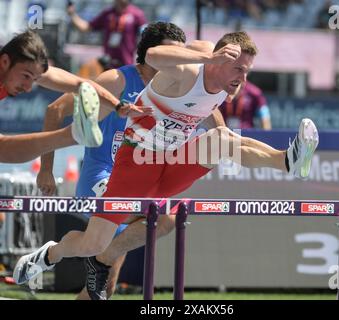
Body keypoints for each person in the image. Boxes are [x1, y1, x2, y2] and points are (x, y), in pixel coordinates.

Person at [13, 31, 319, 300]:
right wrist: (208, 56)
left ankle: (287, 160)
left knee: (221, 142)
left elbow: (216, 124)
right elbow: (153, 55)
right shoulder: (190, 68)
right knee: (91, 243)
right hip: (136, 161)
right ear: (221, 59)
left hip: (172, 162)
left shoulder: (224, 87)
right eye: (239, 68)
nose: (243, 78)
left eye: (248, 71)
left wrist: (225, 140)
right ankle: (50, 255)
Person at [37, 21, 189, 299]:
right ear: (150, 54)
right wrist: (46, 169)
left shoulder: (175, 89)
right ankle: (57, 252)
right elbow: (54, 110)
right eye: (170, 54)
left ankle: (85, 256)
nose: (176, 62)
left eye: (181, 56)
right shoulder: (117, 81)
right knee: (163, 218)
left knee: (104, 287)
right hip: (100, 175)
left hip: (135, 180)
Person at [0, 29, 151, 163]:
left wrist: (117, 106)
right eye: (26, 76)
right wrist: (70, 136)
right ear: (5, 61)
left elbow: (80, 84)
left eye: (33, 80)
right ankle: (73, 135)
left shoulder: (22, 68)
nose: (27, 89)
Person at [67, 0, 147, 68]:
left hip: (126, 62)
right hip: (108, 62)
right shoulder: (107, 13)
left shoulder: (137, 14)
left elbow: (146, 34)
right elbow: (86, 27)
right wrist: (72, 15)